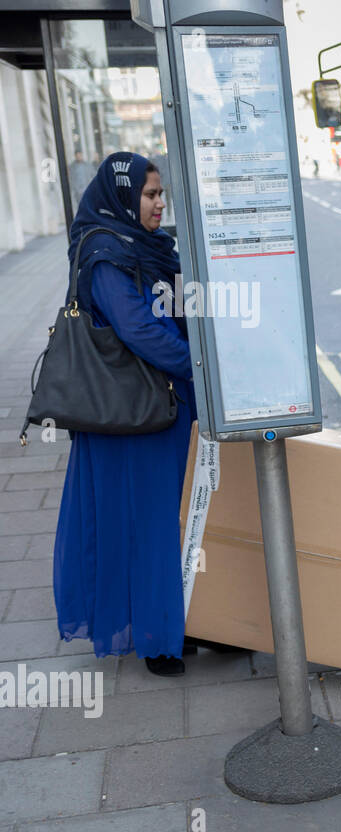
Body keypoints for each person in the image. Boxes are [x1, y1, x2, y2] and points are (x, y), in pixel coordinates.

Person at [52, 152, 197, 676]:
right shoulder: (106, 253)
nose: (160, 204)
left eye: (161, 194)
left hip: (165, 402)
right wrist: (199, 365)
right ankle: (156, 638)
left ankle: (178, 619)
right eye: (150, 195)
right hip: (133, 414)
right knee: (149, 521)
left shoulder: (149, 246)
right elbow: (137, 330)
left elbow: (180, 307)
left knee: (172, 515)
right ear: (123, 196)